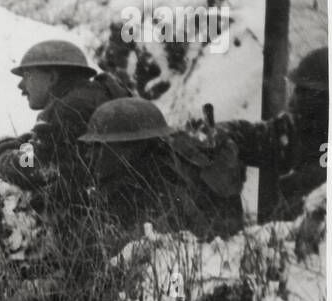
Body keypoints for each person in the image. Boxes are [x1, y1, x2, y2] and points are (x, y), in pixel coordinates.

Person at [79, 97, 245, 246]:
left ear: (129, 148)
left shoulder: (157, 191)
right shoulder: (121, 184)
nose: (90, 154)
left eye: (99, 146)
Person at [0, 39, 131, 208]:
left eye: (27, 76)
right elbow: (54, 149)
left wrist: (0, 151)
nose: (21, 85)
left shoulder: (68, 109)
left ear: (52, 77)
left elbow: (30, 168)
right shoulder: (93, 96)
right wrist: (25, 142)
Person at [218, 47, 328, 221]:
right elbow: (259, 137)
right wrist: (222, 132)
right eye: (297, 89)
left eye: (305, 91)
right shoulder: (300, 127)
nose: (295, 98)